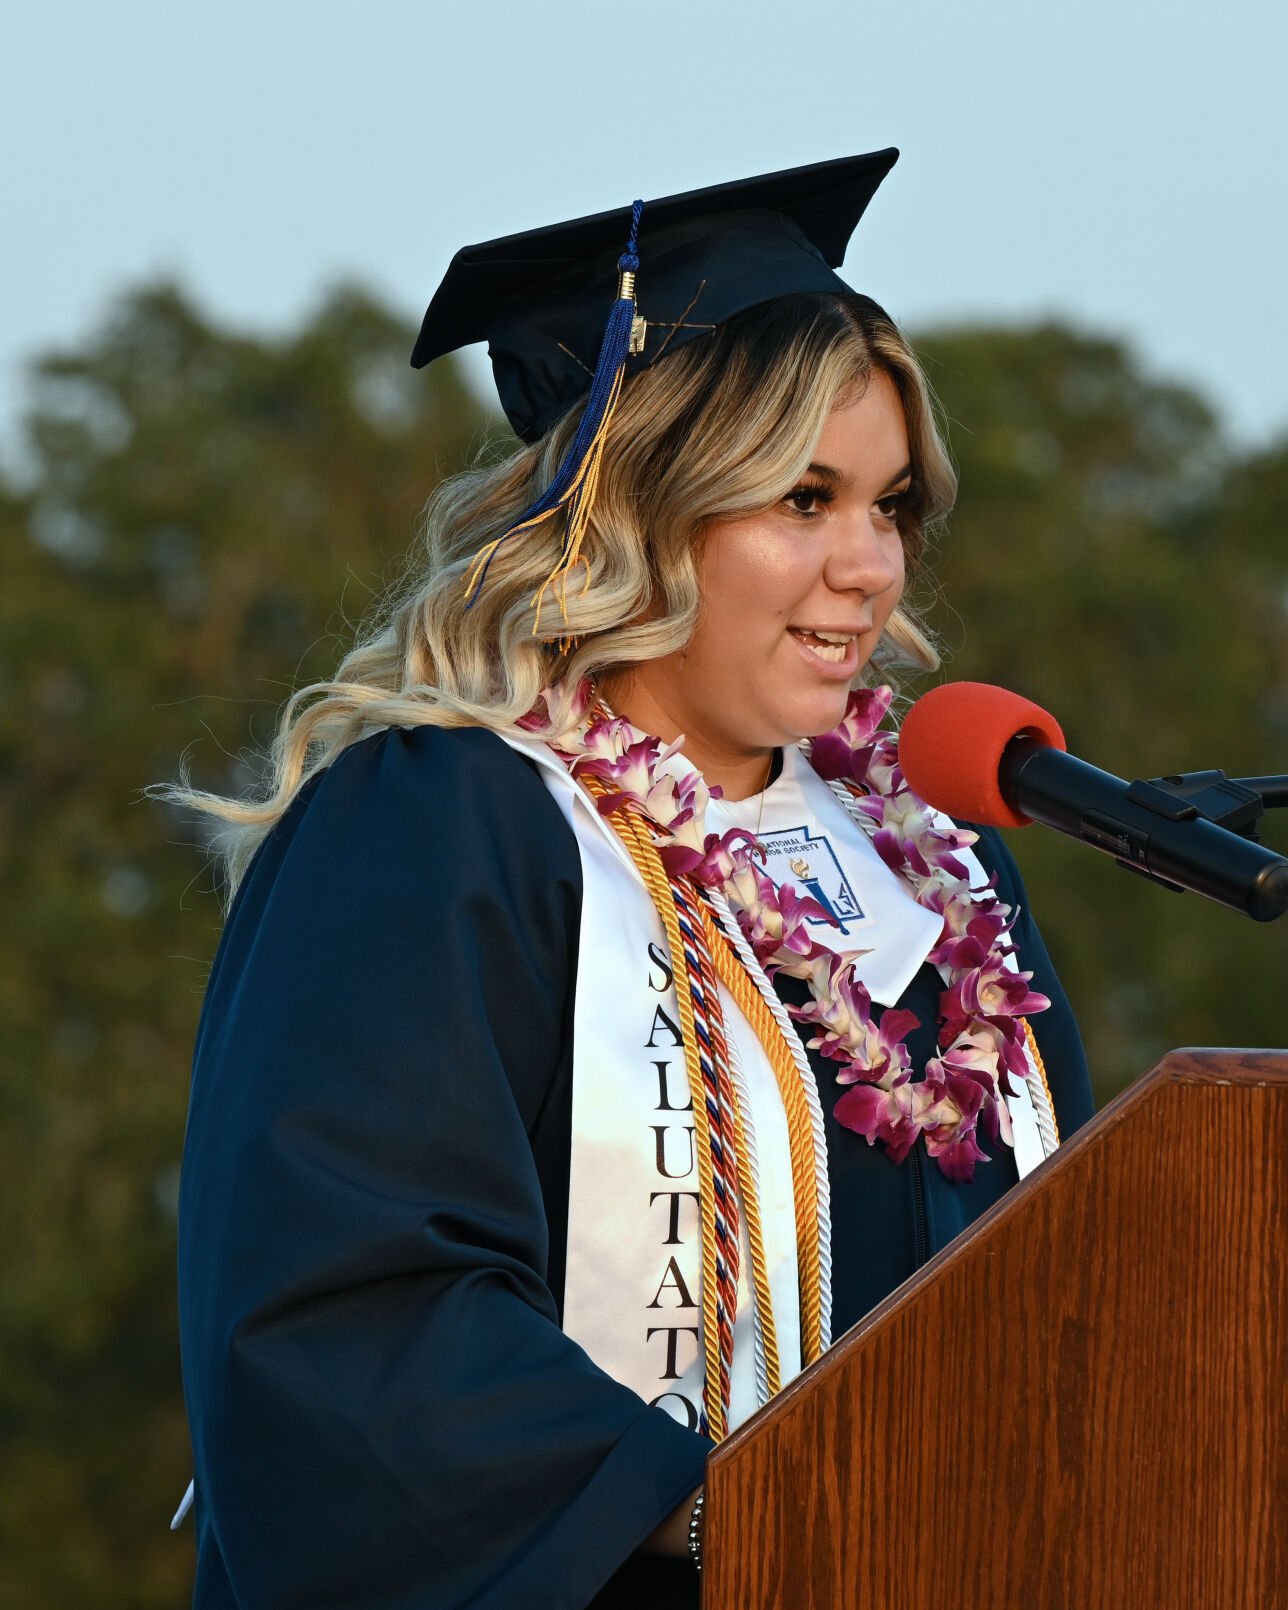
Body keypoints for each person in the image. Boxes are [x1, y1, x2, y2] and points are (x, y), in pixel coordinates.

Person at [170, 150, 1094, 1609]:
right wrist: (759, 1522)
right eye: (803, 497)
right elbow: (348, 1334)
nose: (872, 565)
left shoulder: (937, 873)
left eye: (892, 504)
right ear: (639, 510)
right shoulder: (440, 824)